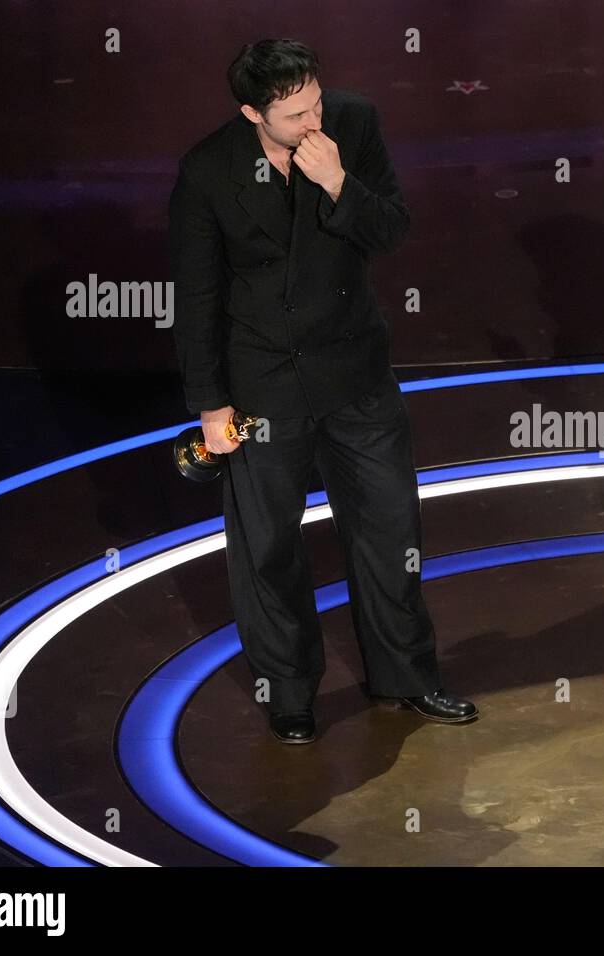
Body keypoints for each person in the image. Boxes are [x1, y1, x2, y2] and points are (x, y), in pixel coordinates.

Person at [168, 38, 476, 744]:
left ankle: (408, 676)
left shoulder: (353, 125)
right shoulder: (209, 171)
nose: (313, 122)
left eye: (315, 103)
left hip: (355, 374)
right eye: (294, 114)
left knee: (390, 531)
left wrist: (341, 183)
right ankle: (291, 691)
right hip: (262, 386)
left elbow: (392, 228)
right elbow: (197, 295)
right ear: (253, 111)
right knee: (269, 547)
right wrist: (211, 407)